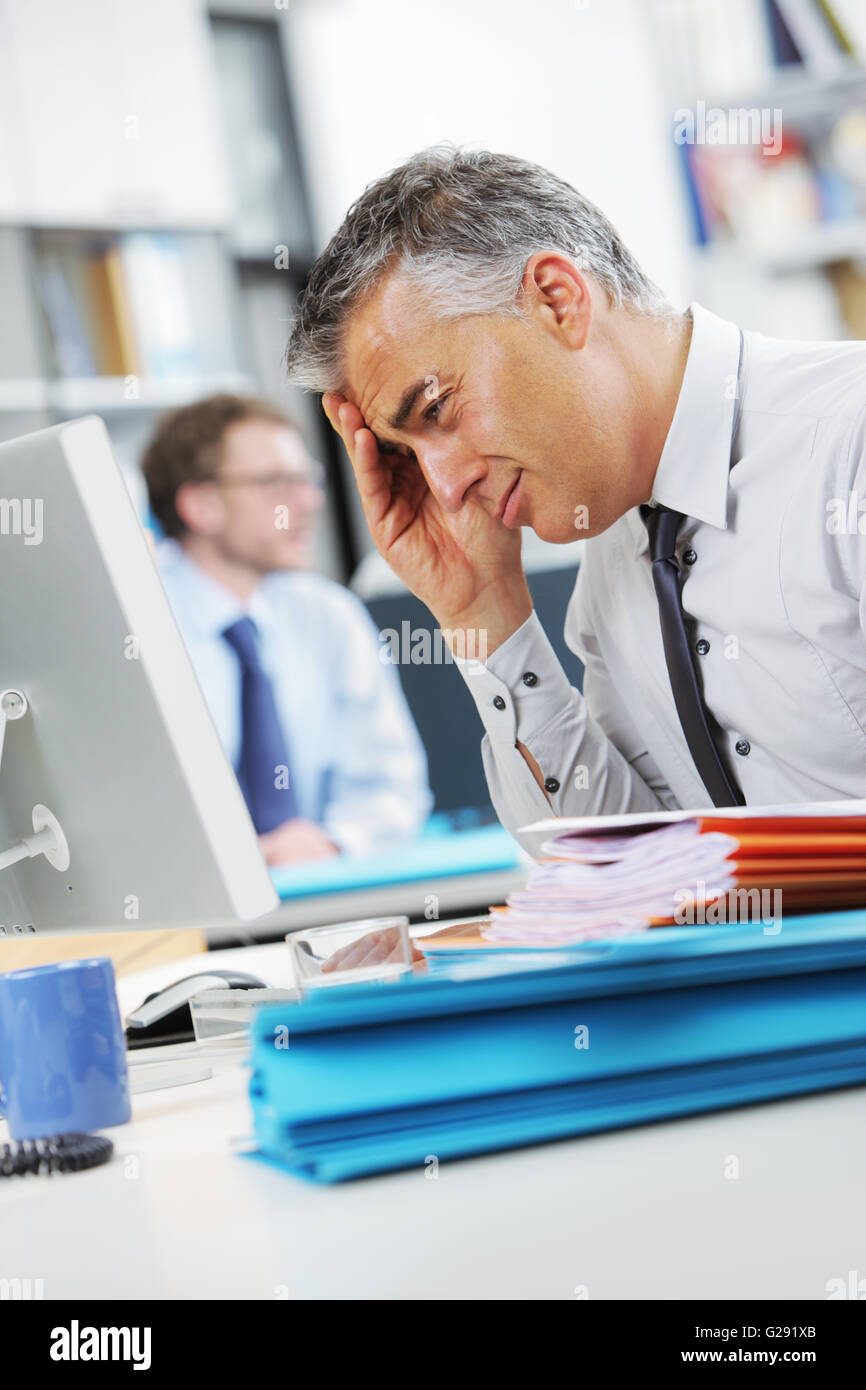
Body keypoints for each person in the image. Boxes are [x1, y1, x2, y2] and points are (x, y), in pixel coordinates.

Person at [282, 145, 866, 850]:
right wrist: (485, 615)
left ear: (558, 301)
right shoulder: (616, 569)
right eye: (408, 453)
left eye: (437, 408)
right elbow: (625, 867)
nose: (443, 486)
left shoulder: (847, 445)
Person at [141, 394, 432, 865]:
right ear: (201, 505)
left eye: (308, 479)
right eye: (278, 482)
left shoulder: (327, 615)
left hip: (317, 892)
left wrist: (333, 840)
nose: (311, 500)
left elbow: (390, 785)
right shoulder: (137, 628)